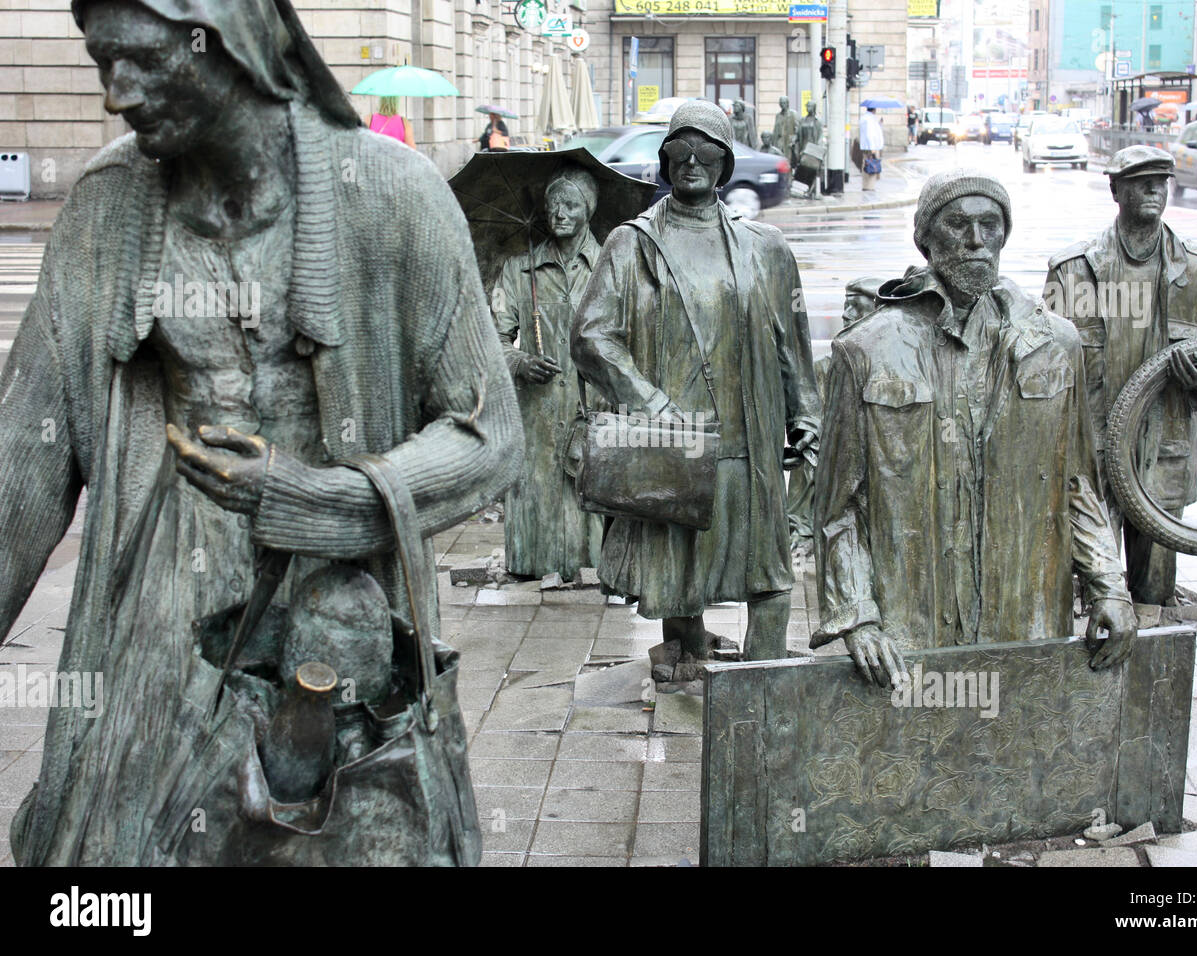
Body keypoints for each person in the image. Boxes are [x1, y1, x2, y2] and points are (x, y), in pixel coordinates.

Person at [1, 0, 522, 865]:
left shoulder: (393, 194)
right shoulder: (106, 207)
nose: (115, 95)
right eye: (102, 64)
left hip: (333, 621)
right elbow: (24, 461)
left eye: (139, 59)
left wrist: (322, 500)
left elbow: (489, 433)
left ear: (227, 36)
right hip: (156, 625)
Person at [814, 169, 1137, 688]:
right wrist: (857, 614)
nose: (976, 241)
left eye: (990, 225)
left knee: (1022, 756)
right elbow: (836, 507)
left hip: (1022, 614)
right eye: (957, 224)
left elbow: (1077, 484)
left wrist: (1108, 587)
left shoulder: (1054, 344)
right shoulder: (866, 350)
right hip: (911, 620)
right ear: (926, 238)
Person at [572, 101, 821, 665]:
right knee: (679, 558)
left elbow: (793, 344)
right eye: (678, 151)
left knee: (767, 566)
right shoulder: (631, 244)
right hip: (677, 434)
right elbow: (591, 336)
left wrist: (804, 414)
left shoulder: (765, 246)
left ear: (724, 162)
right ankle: (685, 646)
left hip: (750, 438)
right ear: (663, 161)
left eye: (706, 152)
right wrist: (650, 401)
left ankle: (763, 671)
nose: (691, 162)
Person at [1045, 146, 1197, 607]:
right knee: (1095, 588)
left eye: (1161, 181)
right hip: (1093, 453)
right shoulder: (1074, 271)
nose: (1153, 188)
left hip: (1164, 450)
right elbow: (1044, 370)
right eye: (1139, 180)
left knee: (1154, 593)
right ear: (1115, 189)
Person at [492, 166, 604, 580]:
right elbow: (492, 342)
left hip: (592, 404)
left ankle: (591, 567)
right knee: (537, 489)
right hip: (536, 411)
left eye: (571, 205)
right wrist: (520, 362)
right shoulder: (518, 271)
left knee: (589, 492)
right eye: (553, 204)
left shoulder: (609, 265)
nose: (559, 213)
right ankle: (533, 564)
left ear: (588, 211)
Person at [859, 107, 884, 189]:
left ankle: (867, 186)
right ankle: (869, 187)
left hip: (868, 146)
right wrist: (872, 147)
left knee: (867, 165)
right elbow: (869, 134)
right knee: (871, 166)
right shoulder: (869, 119)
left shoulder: (866, 118)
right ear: (874, 110)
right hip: (871, 147)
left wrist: (879, 124)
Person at [772, 95, 799, 165]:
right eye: (780, 103)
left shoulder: (793, 114)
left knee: (788, 163)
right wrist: (773, 144)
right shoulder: (778, 115)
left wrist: (793, 140)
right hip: (779, 143)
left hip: (789, 143)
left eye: (784, 103)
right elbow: (775, 131)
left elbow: (798, 129)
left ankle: (789, 176)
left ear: (787, 103)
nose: (782, 105)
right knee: (779, 162)